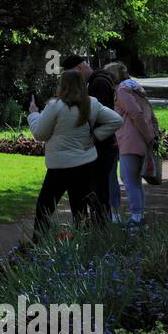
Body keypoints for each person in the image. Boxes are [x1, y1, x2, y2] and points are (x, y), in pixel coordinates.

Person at [27, 69, 122, 239]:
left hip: (60, 166)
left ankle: (38, 243)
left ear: (63, 85)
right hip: (85, 164)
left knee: (45, 206)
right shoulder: (92, 103)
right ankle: (82, 244)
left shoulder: (55, 106)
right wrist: (96, 136)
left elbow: (40, 134)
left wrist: (33, 114)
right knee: (79, 207)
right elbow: (116, 120)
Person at [62, 55, 120, 222]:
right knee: (98, 191)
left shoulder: (98, 83)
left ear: (79, 68)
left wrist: (93, 136)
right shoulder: (98, 81)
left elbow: (103, 118)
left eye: (72, 75)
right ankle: (101, 228)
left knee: (98, 193)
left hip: (101, 148)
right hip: (103, 146)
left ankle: (101, 231)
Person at [104, 62, 160, 227]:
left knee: (129, 180)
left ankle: (136, 217)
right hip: (141, 140)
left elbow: (136, 114)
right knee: (134, 180)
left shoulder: (122, 91)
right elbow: (151, 114)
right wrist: (152, 135)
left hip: (130, 140)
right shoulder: (138, 90)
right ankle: (139, 214)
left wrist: (148, 136)